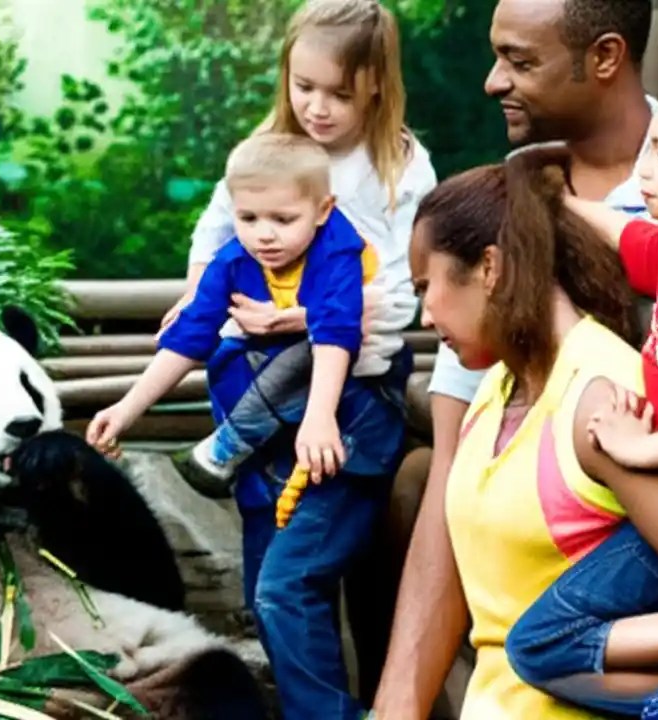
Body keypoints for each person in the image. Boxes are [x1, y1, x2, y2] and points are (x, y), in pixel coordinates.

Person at [380, 146, 658, 719]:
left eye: (423, 286)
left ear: (489, 267)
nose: (426, 316)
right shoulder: (496, 387)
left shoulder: (603, 399)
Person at [373, 2, 658, 715]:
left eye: (521, 60)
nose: (491, 81)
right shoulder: (502, 211)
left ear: (603, 58)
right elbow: (457, 475)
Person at [158, 1, 435, 702]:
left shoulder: (397, 169)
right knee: (266, 586)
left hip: (351, 392)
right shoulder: (269, 150)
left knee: (303, 582)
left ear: (376, 82)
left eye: (338, 93)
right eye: (302, 85)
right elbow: (213, 239)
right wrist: (204, 297)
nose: (316, 107)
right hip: (252, 384)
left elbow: (399, 298)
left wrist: (295, 318)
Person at [88, 130, 390, 718]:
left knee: (285, 589)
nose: (264, 233)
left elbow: (335, 332)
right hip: (263, 462)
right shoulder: (235, 260)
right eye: (248, 217)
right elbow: (188, 337)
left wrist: (322, 416)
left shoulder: (335, 249)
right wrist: (127, 409)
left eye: (282, 217)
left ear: (322, 209)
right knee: (266, 597)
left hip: (333, 443)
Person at [503, 64, 658, 718]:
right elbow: (634, 243)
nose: (644, 171)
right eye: (650, 148)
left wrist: (641, 455)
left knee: (540, 643)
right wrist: (561, 202)